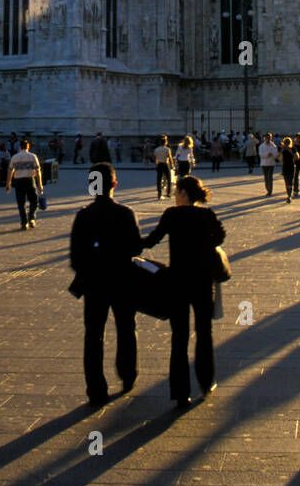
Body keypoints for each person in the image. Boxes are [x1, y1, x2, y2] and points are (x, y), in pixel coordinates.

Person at [141, 175, 225, 409]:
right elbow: (220, 237)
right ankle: (206, 381)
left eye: (176, 192)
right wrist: (201, 246)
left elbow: (151, 240)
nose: (174, 196)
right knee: (204, 333)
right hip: (202, 281)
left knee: (179, 338)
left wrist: (130, 245)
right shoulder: (206, 215)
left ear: (184, 194)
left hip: (177, 281)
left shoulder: (171, 215)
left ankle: (180, 393)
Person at [69, 163, 143, 406]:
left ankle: (96, 388)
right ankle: (127, 374)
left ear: (92, 186)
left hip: (94, 284)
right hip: (123, 281)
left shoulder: (83, 215)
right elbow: (135, 248)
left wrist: (90, 268)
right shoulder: (125, 213)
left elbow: (75, 257)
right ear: (114, 184)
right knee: (126, 328)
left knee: (93, 335)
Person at [6, 137, 43, 230]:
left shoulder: (15, 157)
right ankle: (31, 218)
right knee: (34, 201)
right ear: (28, 147)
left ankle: (24, 223)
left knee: (21, 203)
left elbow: (10, 171)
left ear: (20, 147)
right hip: (30, 180)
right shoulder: (33, 156)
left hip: (19, 182)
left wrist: (8, 183)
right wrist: (40, 184)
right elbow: (38, 171)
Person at [153, 135, 175, 200]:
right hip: (166, 164)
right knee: (169, 179)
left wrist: (156, 164)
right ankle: (168, 193)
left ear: (160, 143)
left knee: (159, 179)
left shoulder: (156, 149)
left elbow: (155, 158)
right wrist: (172, 165)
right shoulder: (167, 149)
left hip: (159, 164)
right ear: (165, 142)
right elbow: (170, 157)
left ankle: (159, 194)